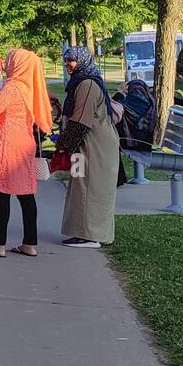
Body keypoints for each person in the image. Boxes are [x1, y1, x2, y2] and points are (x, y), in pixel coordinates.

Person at [0, 49, 51, 258]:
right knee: (26, 194)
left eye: (10, 60)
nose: (7, 63)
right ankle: (29, 243)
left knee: (1, 194)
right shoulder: (30, 87)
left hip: (7, 143)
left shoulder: (12, 87)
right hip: (25, 144)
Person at [58, 46, 120, 248]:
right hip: (85, 143)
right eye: (66, 60)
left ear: (82, 61)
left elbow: (81, 121)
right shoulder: (81, 81)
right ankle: (82, 232)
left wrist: (64, 146)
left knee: (89, 187)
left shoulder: (87, 84)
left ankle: (91, 235)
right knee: (78, 185)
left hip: (94, 145)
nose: (68, 64)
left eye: (71, 60)